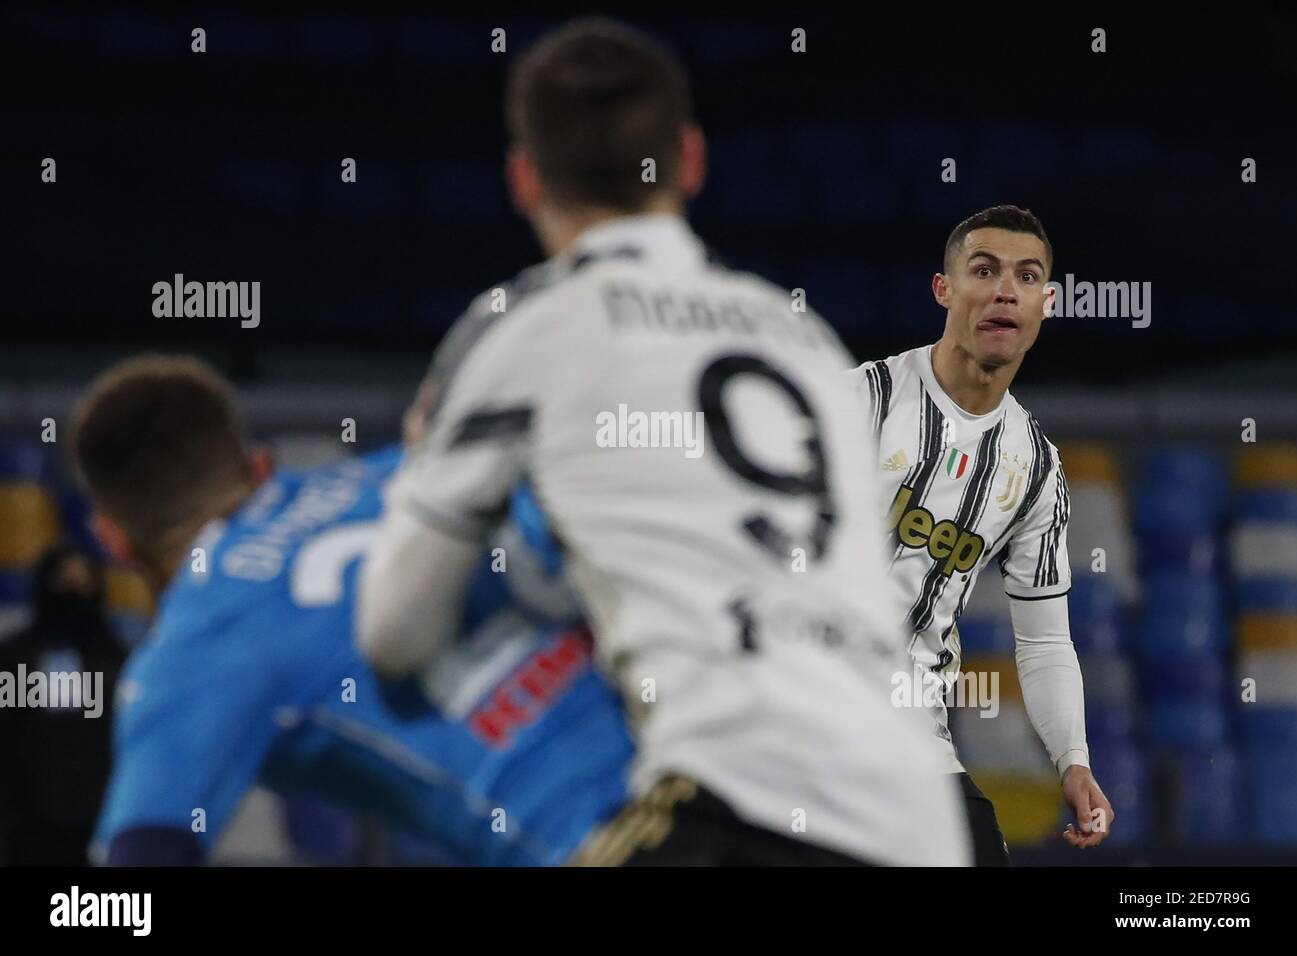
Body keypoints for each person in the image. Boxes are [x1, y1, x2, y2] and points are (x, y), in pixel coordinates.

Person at [357, 17, 969, 866]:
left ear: (523, 178)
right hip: (923, 820)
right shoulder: (813, 344)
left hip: (744, 795)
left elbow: (392, 633)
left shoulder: (526, 332)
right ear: (689, 159)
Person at [70, 354, 633, 865]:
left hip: (599, 841)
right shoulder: (409, 470)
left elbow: (139, 875)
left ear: (111, 539)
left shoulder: (194, 650)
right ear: (260, 466)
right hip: (698, 764)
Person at [854, 205, 1115, 864]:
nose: (1005, 290)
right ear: (944, 290)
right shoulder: (862, 402)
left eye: (1026, 277)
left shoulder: (1034, 468)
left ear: (1045, 304)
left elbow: (1046, 640)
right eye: (984, 270)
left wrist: (1073, 761)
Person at [0, 544, 124, 865]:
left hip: (101, 816)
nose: (74, 588)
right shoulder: (16, 655)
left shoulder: (115, 655)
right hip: (31, 823)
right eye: (65, 579)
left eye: (83, 579)